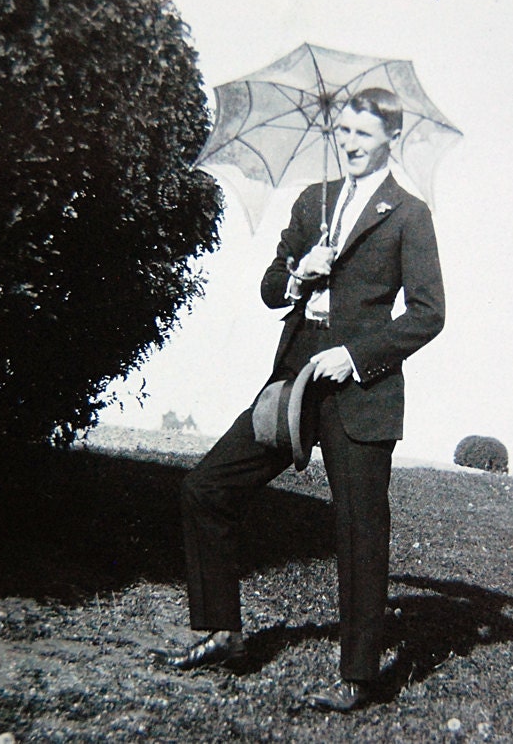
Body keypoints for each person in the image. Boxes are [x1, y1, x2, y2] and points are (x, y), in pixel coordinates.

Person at [151, 87, 445, 712]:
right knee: (206, 486)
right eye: (343, 133)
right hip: (292, 382)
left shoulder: (409, 214)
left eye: (364, 135)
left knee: (360, 528)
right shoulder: (314, 201)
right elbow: (268, 287)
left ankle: (359, 677)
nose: (350, 145)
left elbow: (429, 313)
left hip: (359, 388)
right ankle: (223, 632)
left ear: (391, 137)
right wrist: (298, 272)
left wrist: (359, 356)